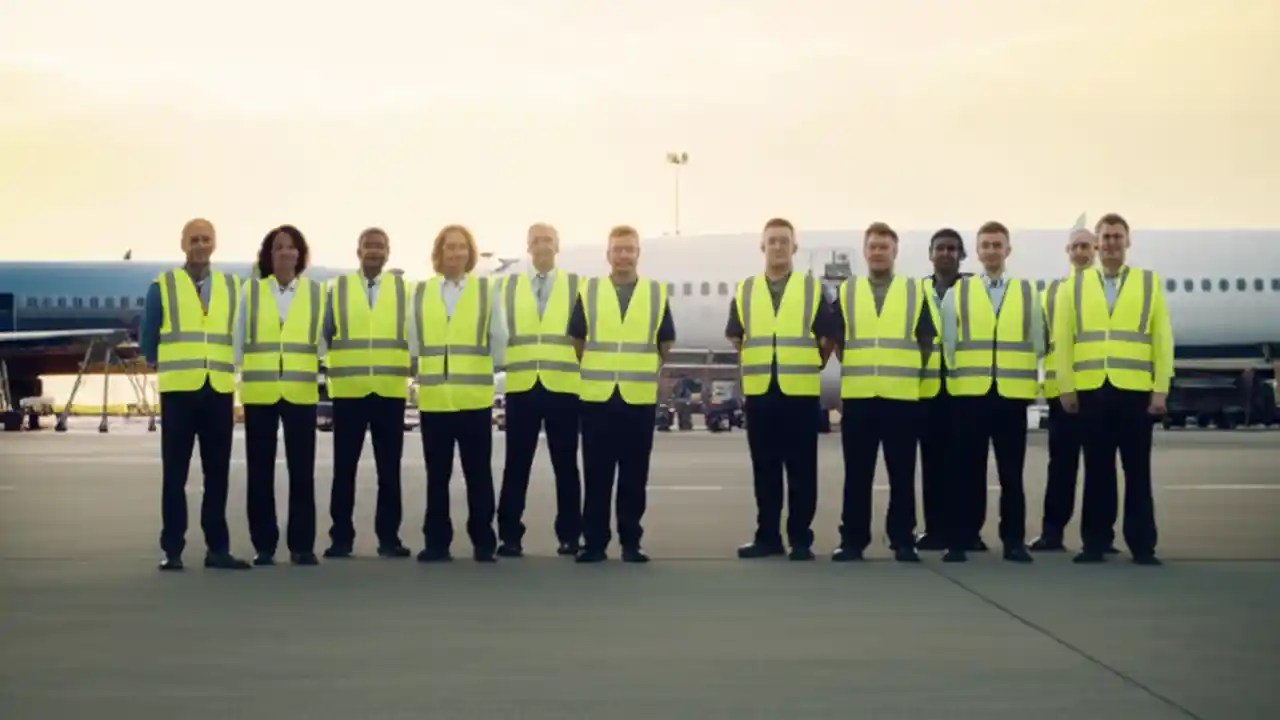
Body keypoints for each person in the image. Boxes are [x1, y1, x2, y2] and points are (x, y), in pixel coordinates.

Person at [1055, 213, 1172, 565]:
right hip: (1091, 391)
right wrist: (1066, 388)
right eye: (1104, 237)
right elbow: (1063, 341)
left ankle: (1143, 545)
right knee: (1097, 469)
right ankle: (1095, 542)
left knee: (1138, 472)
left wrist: (1160, 390)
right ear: (1095, 244)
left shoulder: (1148, 283)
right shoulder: (1072, 287)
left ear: (1127, 241)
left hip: (1135, 392)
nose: (1110, 243)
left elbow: (1162, 340)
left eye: (1116, 237)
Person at [725, 217, 839, 562]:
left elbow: (828, 336)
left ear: (794, 247)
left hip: (800, 393)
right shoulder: (746, 290)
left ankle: (801, 539)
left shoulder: (812, 289)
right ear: (763, 247)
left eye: (784, 241)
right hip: (761, 394)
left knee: (802, 471)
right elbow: (736, 336)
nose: (777, 247)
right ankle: (768, 536)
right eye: (772, 241)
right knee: (766, 470)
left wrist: (811, 364)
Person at [142, 218, 250, 570]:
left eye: (205, 239)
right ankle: (172, 549)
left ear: (214, 244)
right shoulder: (163, 285)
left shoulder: (233, 286)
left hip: (217, 389)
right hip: (178, 393)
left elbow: (240, 333)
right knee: (175, 474)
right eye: (194, 239)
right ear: (183, 244)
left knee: (216, 473)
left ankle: (217, 549)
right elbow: (149, 338)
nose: (200, 245)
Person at [569, 225, 675, 563]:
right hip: (598, 398)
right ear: (608, 254)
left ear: (638, 253)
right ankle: (594, 543)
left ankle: (632, 542)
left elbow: (666, 341)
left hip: (638, 399)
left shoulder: (656, 294)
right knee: (597, 475)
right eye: (618, 249)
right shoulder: (590, 290)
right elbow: (578, 340)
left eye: (629, 249)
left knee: (633, 476)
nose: (624, 255)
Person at [941, 220, 1044, 563]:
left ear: (1008, 250)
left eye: (997, 245)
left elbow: (1038, 343)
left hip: (1012, 396)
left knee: (1011, 474)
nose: (991, 251)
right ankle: (962, 538)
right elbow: (949, 344)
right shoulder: (959, 293)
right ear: (978, 250)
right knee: (965, 472)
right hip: (969, 395)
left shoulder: (1028, 293)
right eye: (985, 245)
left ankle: (1013, 541)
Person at [832, 222, 936, 562]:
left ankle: (903, 540)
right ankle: (852, 541)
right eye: (873, 246)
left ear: (895, 252)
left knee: (902, 476)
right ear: (865, 251)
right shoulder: (848, 291)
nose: (878, 252)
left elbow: (925, 338)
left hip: (901, 399)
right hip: (860, 397)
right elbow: (838, 340)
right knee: (857, 476)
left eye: (884, 247)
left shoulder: (914, 290)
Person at [414, 224, 505, 563]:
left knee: (478, 475)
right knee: (437, 477)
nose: (455, 253)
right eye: (449, 247)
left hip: (473, 399)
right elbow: (412, 339)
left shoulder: (485, 291)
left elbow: (499, 339)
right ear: (439, 253)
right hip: (436, 400)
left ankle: (483, 541)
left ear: (470, 254)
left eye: (462, 247)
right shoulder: (421, 293)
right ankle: (436, 543)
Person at [235, 225, 324, 567]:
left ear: (300, 254)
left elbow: (324, 341)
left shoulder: (316, 294)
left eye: (290, 247)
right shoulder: (252, 293)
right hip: (260, 391)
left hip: (300, 392)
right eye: (278, 248)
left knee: (302, 472)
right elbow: (239, 339)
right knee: (260, 472)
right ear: (268, 256)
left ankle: (302, 545)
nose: (285, 253)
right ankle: (265, 544)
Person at [321, 228, 412, 559]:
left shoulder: (404, 290)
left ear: (389, 252)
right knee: (344, 469)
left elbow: (412, 337)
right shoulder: (338, 289)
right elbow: (326, 333)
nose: (374, 251)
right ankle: (340, 538)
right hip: (349, 392)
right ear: (357, 251)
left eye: (380, 246)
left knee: (390, 470)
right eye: (368, 245)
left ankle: (389, 538)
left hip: (389, 391)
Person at [495, 223, 583, 558]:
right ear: (527, 247)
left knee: (566, 466)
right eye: (536, 241)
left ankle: (570, 535)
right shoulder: (508, 286)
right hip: (522, 386)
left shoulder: (576, 286)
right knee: (516, 465)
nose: (542, 246)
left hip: (563, 386)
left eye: (547, 240)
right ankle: (509, 535)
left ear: (558, 246)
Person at [1030, 228, 1101, 552]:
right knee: (1061, 467)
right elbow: (1043, 343)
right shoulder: (1055, 292)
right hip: (1064, 393)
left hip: (1100, 390)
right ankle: (1052, 533)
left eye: (1086, 246)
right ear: (1067, 251)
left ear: (1095, 249)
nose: (1081, 252)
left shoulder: (1109, 290)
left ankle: (1099, 537)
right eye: (1075, 247)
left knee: (1100, 468)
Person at [917, 228, 972, 551]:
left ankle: (966, 532)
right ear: (931, 254)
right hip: (928, 390)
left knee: (964, 465)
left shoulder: (974, 290)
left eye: (953, 249)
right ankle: (934, 529)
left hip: (964, 388)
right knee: (932, 464)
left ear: (961, 255)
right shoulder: (918, 290)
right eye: (940, 248)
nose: (946, 254)